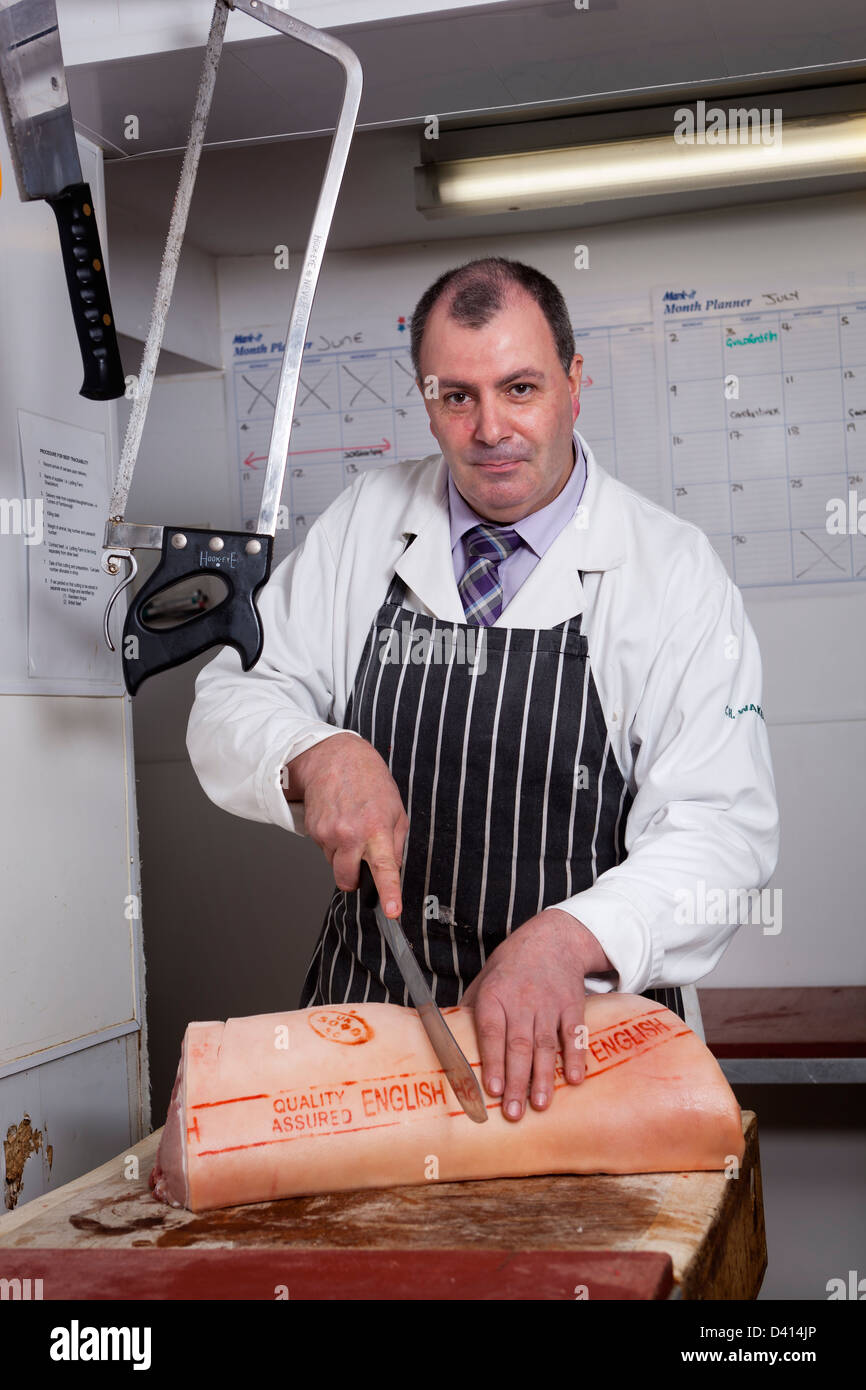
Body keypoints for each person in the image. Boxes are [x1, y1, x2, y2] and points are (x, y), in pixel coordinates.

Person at [187, 256, 779, 1125]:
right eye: (457, 397)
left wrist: (567, 941)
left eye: (522, 388)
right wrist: (315, 750)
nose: (491, 427)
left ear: (576, 383)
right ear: (426, 399)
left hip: (585, 1048)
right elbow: (230, 698)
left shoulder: (672, 572)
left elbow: (722, 833)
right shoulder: (364, 522)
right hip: (373, 1029)